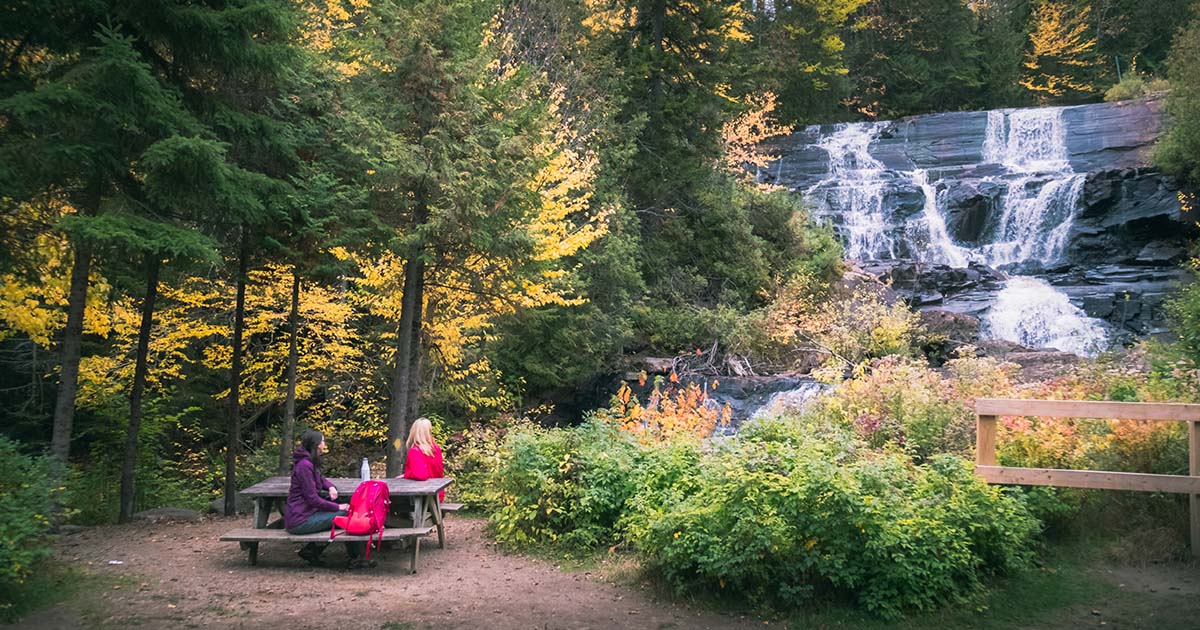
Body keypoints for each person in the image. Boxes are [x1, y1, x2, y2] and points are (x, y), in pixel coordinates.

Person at [284, 429, 371, 568]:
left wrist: (330, 487)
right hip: (300, 520)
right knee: (347, 513)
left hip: (305, 514)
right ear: (317, 444)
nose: (324, 444)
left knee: (340, 511)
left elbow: (321, 479)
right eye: (323, 441)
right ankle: (357, 558)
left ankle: (311, 551)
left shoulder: (308, 462)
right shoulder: (304, 466)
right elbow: (312, 499)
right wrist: (338, 507)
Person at [402, 417, 446, 502]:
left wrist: (407, 474)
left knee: (393, 501)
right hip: (437, 494)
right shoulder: (436, 449)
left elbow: (421, 475)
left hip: (425, 497)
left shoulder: (415, 451)